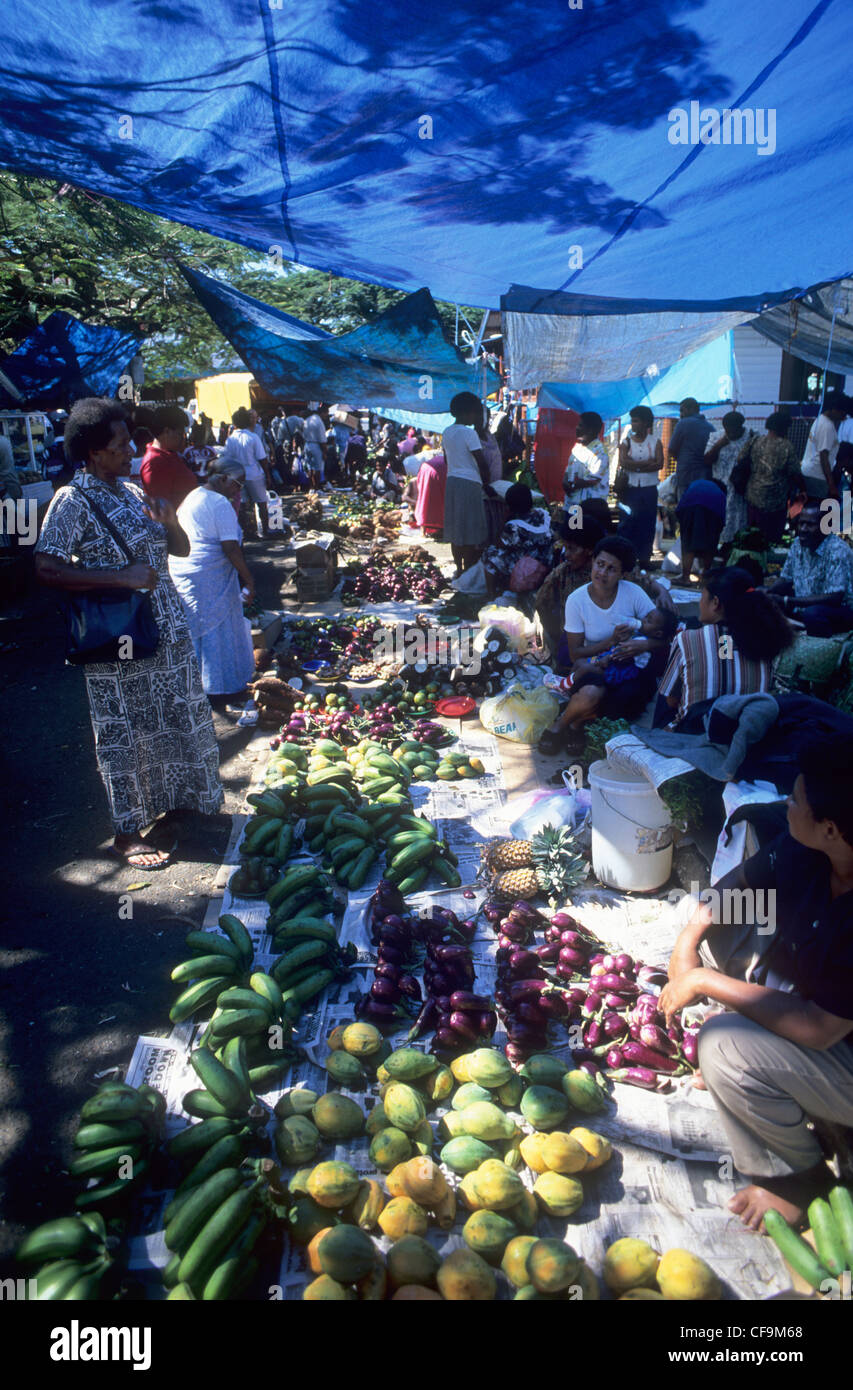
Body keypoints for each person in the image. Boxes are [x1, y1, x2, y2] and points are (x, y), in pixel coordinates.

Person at [659, 734, 853, 1231]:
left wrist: (703, 980)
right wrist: (687, 943)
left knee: (722, 1045)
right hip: (826, 1004)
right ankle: (783, 1088)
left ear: (830, 828)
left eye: (796, 799)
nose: (786, 804)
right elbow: (736, 887)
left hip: (835, 1032)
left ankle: (798, 1180)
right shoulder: (816, 850)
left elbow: (819, 1031)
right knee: (720, 925)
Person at [33, 398, 223, 868]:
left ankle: (179, 799)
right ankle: (126, 831)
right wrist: (121, 577)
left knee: (174, 714)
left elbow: (177, 550)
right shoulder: (71, 501)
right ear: (94, 452)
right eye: (120, 447)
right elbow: (46, 567)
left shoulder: (131, 492)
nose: (130, 454)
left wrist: (172, 523)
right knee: (127, 730)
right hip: (120, 636)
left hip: (167, 628)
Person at [539, 536, 673, 751]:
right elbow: (575, 654)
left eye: (612, 569)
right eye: (600, 564)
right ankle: (564, 726)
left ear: (622, 574)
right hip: (594, 665)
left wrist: (643, 646)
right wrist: (610, 641)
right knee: (592, 690)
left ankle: (576, 722)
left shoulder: (633, 593)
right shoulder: (577, 600)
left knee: (625, 696)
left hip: (629, 667)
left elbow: (662, 634)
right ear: (593, 562)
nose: (602, 573)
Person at [657, 566, 793, 730]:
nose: (700, 602)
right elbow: (726, 654)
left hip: (695, 735)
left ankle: (653, 738)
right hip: (746, 733)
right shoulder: (767, 637)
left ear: (715, 603)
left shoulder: (687, 638)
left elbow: (671, 701)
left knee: (665, 694)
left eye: (702, 595)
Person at [169, 459, 256, 700]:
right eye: (237, 484)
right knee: (216, 630)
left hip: (190, 572)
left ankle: (203, 687)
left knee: (204, 630)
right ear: (222, 478)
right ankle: (221, 688)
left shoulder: (194, 494)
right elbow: (230, 548)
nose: (238, 491)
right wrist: (249, 580)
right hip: (206, 576)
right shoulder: (219, 502)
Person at [766, 499, 853, 636]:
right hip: (803, 605)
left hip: (838, 611)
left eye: (810, 524)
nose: (803, 529)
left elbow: (834, 597)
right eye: (801, 523)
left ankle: (820, 643)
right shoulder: (797, 544)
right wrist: (767, 593)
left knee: (813, 614)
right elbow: (785, 578)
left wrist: (788, 601)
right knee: (763, 598)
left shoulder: (837, 550)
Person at [441, 391, 493, 574]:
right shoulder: (469, 433)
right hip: (469, 483)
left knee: (457, 529)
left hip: (452, 482)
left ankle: (459, 568)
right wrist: (487, 484)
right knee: (471, 529)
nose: (477, 417)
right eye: (475, 413)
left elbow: (447, 460)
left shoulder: (447, 432)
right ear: (468, 412)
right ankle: (469, 571)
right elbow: (481, 462)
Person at [739, 412, 803, 542]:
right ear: (784, 428)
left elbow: (741, 459)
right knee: (771, 538)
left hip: (753, 497)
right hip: (775, 501)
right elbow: (795, 472)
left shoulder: (755, 441)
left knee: (752, 537)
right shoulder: (786, 447)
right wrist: (804, 488)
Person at [482, 483, 553, 596]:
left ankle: (491, 593)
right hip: (546, 560)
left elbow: (499, 543)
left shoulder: (513, 526)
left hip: (527, 566)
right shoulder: (543, 515)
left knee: (490, 553)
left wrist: (504, 519)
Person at [615, 405, 663, 566]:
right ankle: (624, 558)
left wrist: (634, 465)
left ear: (645, 423)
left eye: (636, 421)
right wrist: (645, 464)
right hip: (630, 489)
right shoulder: (626, 442)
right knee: (627, 523)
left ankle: (644, 559)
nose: (633, 424)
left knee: (647, 523)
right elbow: (623, 462)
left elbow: (659, 463)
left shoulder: (655, 441)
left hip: (649, 489)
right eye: (632, 421)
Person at [221, 406, 273, 537]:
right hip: (254, 474)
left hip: (237, 476)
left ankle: (248, 531)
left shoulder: (230, 439)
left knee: (243, 505)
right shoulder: (253, 437)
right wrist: (268, 475)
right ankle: (265, 530)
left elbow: (227, 459)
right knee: (261, 503)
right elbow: (262, 459)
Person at [705, 411, 753, 545]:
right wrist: (719, 445)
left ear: (741, 427)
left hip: (741, 492)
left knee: (739, 523)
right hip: (720, 489)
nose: (730, 433)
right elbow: (707, 460)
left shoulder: (751, 437)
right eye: (727, 430)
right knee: (719, 522)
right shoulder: (716, 437)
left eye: (733, 430)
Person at [139, 404, 198, 511]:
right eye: (180, 434)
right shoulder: (155, 463)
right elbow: (161, 510)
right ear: (167, 432)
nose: (183, 439)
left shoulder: (169, 454)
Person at [562, 411, 611, 533]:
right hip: (573, 504)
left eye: (580, 425)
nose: (577, 428)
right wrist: (564, 481)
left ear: (590, 430)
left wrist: (572, 485)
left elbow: (593, 479)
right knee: (573, 536)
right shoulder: (577, 447)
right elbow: (568, 470)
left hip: (590, 507)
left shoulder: (600, 452)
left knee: (587, 538)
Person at [675, 477, 727, 582]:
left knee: (688, 543)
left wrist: (684, 528)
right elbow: (721, 522)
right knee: (711, 542)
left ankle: (685, 577)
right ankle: (706, 575)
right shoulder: (720, 493)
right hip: (712, 510)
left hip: (690, 507)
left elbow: (680, 508)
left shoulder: (696, 483)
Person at [800, 392, 848, 501]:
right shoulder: (827, 427)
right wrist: (831, 485)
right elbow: (824, 457)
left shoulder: (819, 420)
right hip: (817, 476)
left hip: (809, 471)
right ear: (833, 409)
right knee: (818, 509)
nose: (843, 415)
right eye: (841, 412)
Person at [668, 397, 714, 501]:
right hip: (705, 476)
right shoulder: (710, 427)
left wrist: (680, 460)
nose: (680, 414)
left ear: (691, 409)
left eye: (682, 410)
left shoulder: (683, 423)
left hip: (685, 475)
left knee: (685, 509)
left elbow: (671, 449)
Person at [413, 444, 447, 538]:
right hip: (440, 473)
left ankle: (423, 531)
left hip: (427, 471)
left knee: (425, 500)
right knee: (441, 501)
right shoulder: (448, 461)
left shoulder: (428, 462)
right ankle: (442, 528)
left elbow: (419, 483)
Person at [303, 404, 327, 489]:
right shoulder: (319, 422)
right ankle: (316, 487)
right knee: (318, 468)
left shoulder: (307, 420)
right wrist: (324, 452)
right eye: (326, 414)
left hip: (307, 445)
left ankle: (311, 487)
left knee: (310, 467)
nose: (326, 416)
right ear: (323, 413)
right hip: (316, 445)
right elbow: (322, 440)